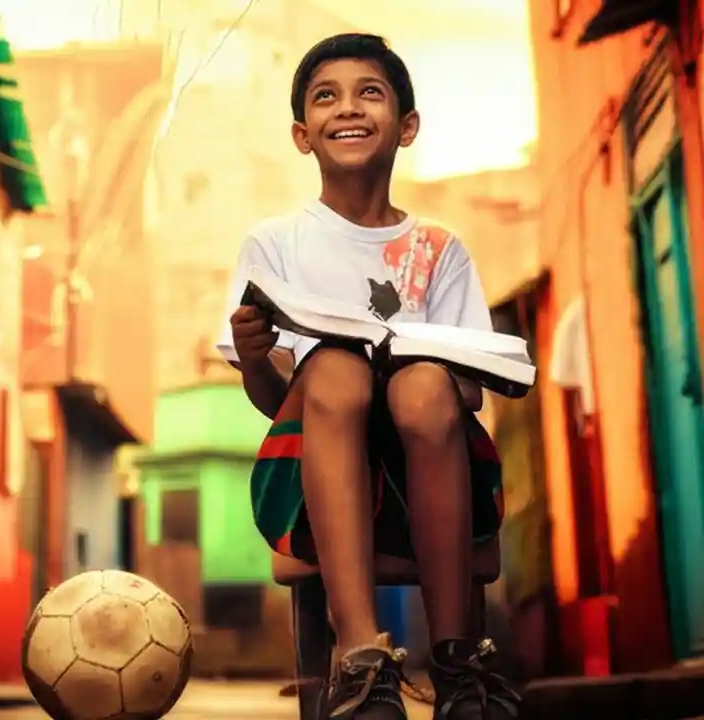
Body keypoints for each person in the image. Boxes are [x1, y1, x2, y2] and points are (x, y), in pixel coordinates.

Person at [216, 33, 522, 720]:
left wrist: (414, 364)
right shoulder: (275, 245)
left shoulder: (440, 251)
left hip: (430, 476)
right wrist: (255, 351)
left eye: (369, 93)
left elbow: (469, 392)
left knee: (422, 385)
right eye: (326, 97)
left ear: (406, 126)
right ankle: (360, 659)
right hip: (307, 490)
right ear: (303, 134)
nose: (346, 108)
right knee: (332, 370)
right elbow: (273, 402)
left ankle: (457, 662)